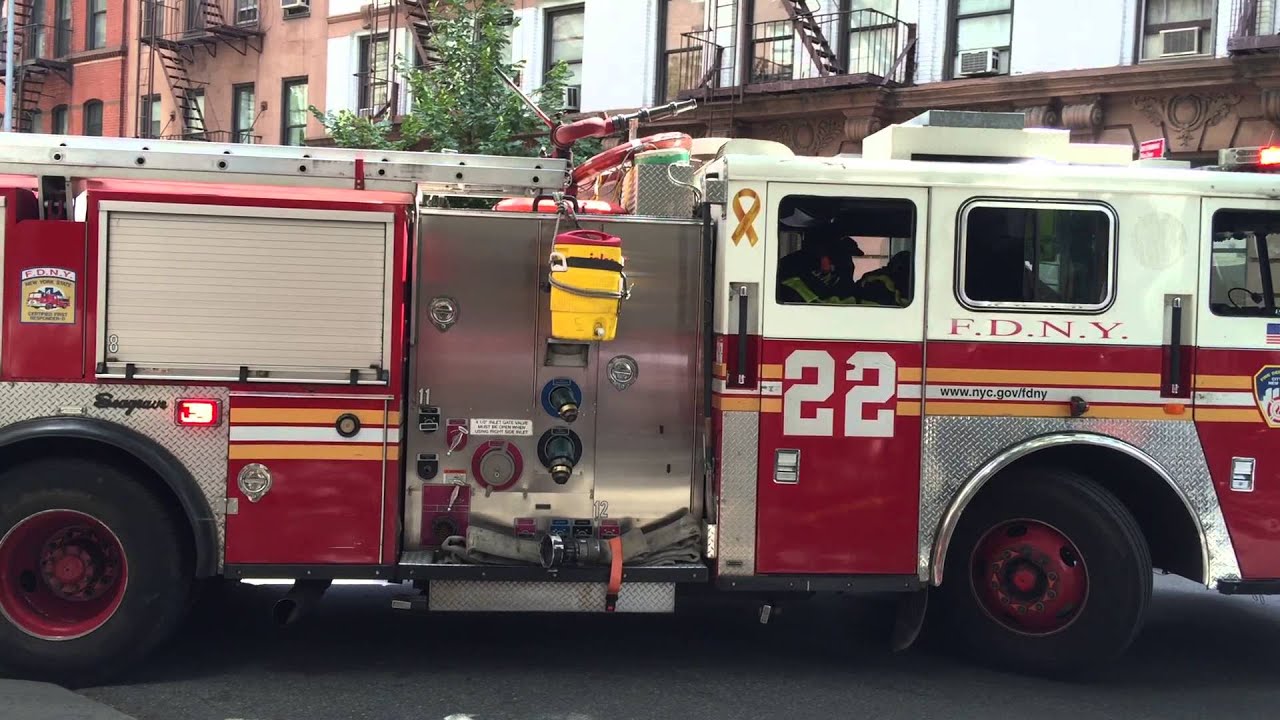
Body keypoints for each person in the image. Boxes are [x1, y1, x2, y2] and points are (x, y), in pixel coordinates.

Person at [777, 222, 865, 305]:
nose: (846, 259)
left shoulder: (845, 269)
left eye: (848, 255)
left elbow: (846, 291)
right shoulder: (797, 262)